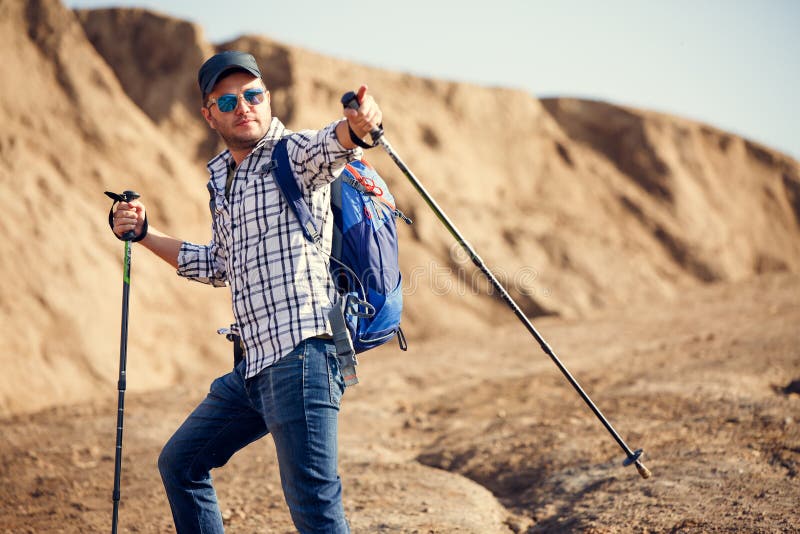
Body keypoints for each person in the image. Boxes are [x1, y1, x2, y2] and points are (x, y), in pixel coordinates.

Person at [111, 50, 382, 533]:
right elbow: (219, 265)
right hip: (254, 366)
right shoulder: (225, 181)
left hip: (302, 357)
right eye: (229, 99)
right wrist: (145, 233)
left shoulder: (294, 155)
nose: (245, 106)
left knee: (316, 511)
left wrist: (359, 125)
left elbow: (335, 143)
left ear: (268, 99)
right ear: (209, 113)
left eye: (254, 95)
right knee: (181, 464)